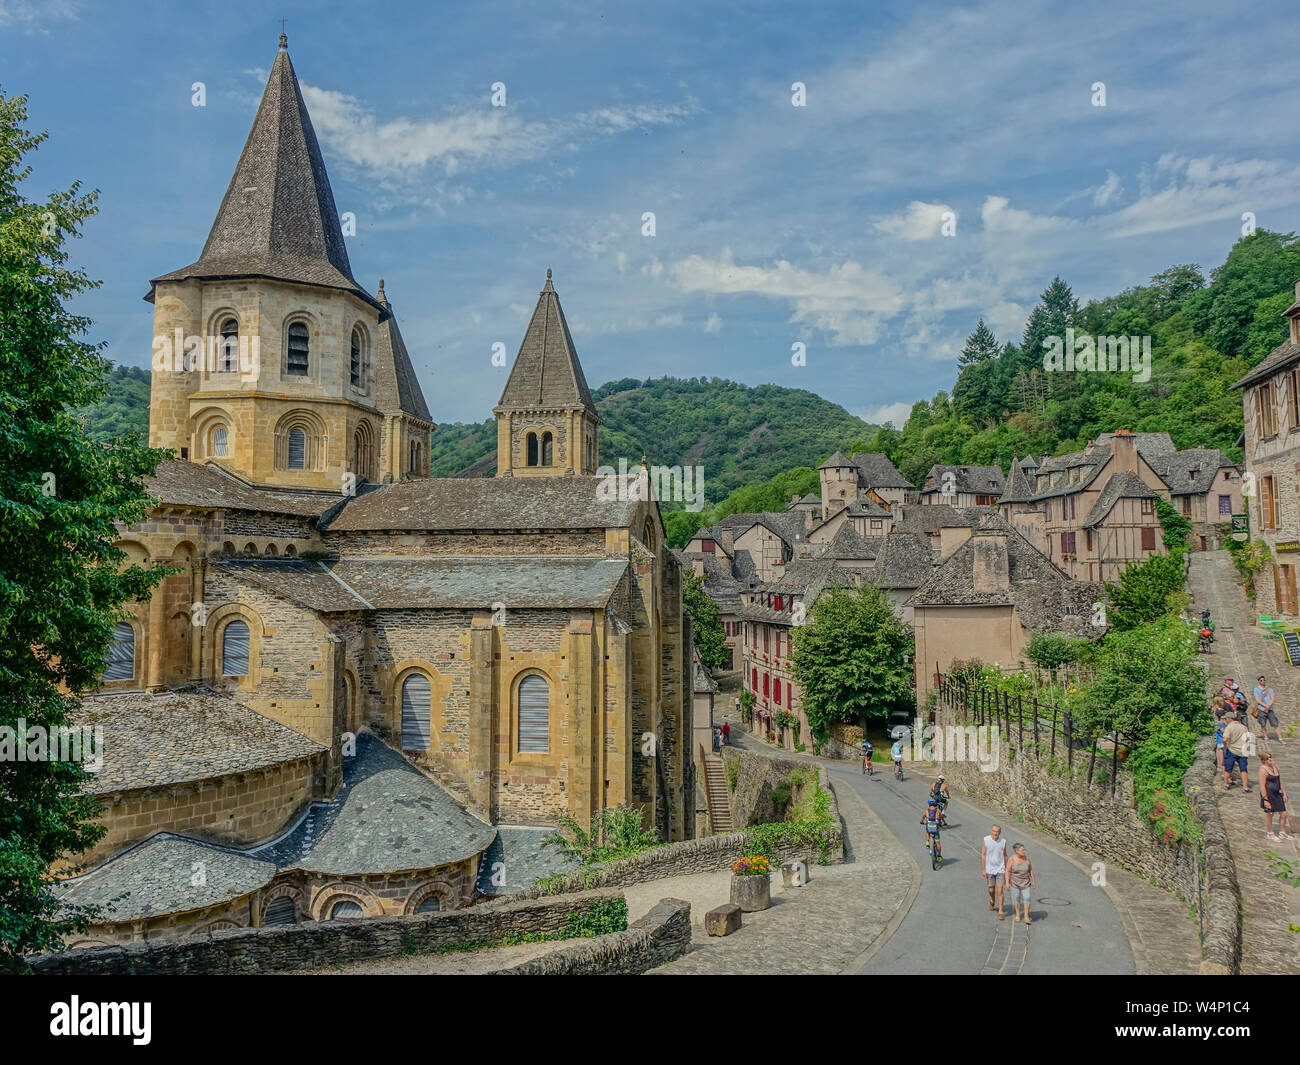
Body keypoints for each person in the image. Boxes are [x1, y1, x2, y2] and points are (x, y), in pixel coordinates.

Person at [1259, 752, 1291, 841]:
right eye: (1267, 758)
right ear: (1264, 760)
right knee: (1270, 813)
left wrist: (1284, 793)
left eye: (1270, 757)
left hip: (1277, 793)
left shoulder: (1275, 766)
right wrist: (1265, 799)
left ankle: (1282, 832)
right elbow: (1262, 785)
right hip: (1269, 794)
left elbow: (1279, 781)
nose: (1270, 759)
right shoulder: (1263, 770)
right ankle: (1270, 833)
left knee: (1284, 813)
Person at [981, 824, 1007, 919]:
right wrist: (983, 869)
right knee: (991, 890)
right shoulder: (986, 840)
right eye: (994, 831)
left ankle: (1001, 910)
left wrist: (1007, 868)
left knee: (1000, 889)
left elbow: (1005, 855)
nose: (995, 833)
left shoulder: (1003, 841)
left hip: (1000, 868)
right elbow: (983, 855)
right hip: (989, 869)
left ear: (1000, 832)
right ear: (991, 831)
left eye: (997, 831)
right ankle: (992, 899)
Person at [1221, 715, 1253, 793]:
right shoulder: (1243, 727)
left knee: (1228, 768)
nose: (1225, 720)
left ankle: (1226, 784)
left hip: (1232, 750)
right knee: (1243, 769)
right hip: (1242, 751)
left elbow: (1225, 739)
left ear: (1229, 719)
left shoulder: (1229, 727)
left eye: (1225, 719)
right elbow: (1248, 739)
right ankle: (1245, 786)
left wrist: (1225, 747)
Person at [1007, 843, 1036, 924]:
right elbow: (1008, 871)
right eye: (1022, 850)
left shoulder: (1027, 859)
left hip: (1026, 882)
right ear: (1017, 851)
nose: (1024, 851)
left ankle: (1026, 916)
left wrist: (1033, 881)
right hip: (1015, 883)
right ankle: (1018, 915)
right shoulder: (1011, 859)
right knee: (1017, 899)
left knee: (1027, 898)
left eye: (1024, 849)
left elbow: (1030, 870)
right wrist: (1007, 882)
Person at [1253, 675, 1283, 743]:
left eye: (1264, 680)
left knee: (1275, 723)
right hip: (1261, 709)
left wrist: (1269, 706)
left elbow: (1273, 698)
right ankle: (1266, 737)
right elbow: (1257, 699)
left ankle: (1280, 738)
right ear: (1258, 681)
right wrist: (1265, 706)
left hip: (1270, 709)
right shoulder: (1256, 689)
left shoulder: (1270, 689)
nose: (1263, 681)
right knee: (1263, 724)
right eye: (1261, 680)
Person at [1213, 709, 1228, 774]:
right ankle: (1221, 765)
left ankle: (1221, 765)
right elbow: (1223, 731)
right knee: (1221, 752)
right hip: (1220, 740)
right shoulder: (1221, 724)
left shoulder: (1220, 723)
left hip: (1220, 740)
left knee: (1220, 752)